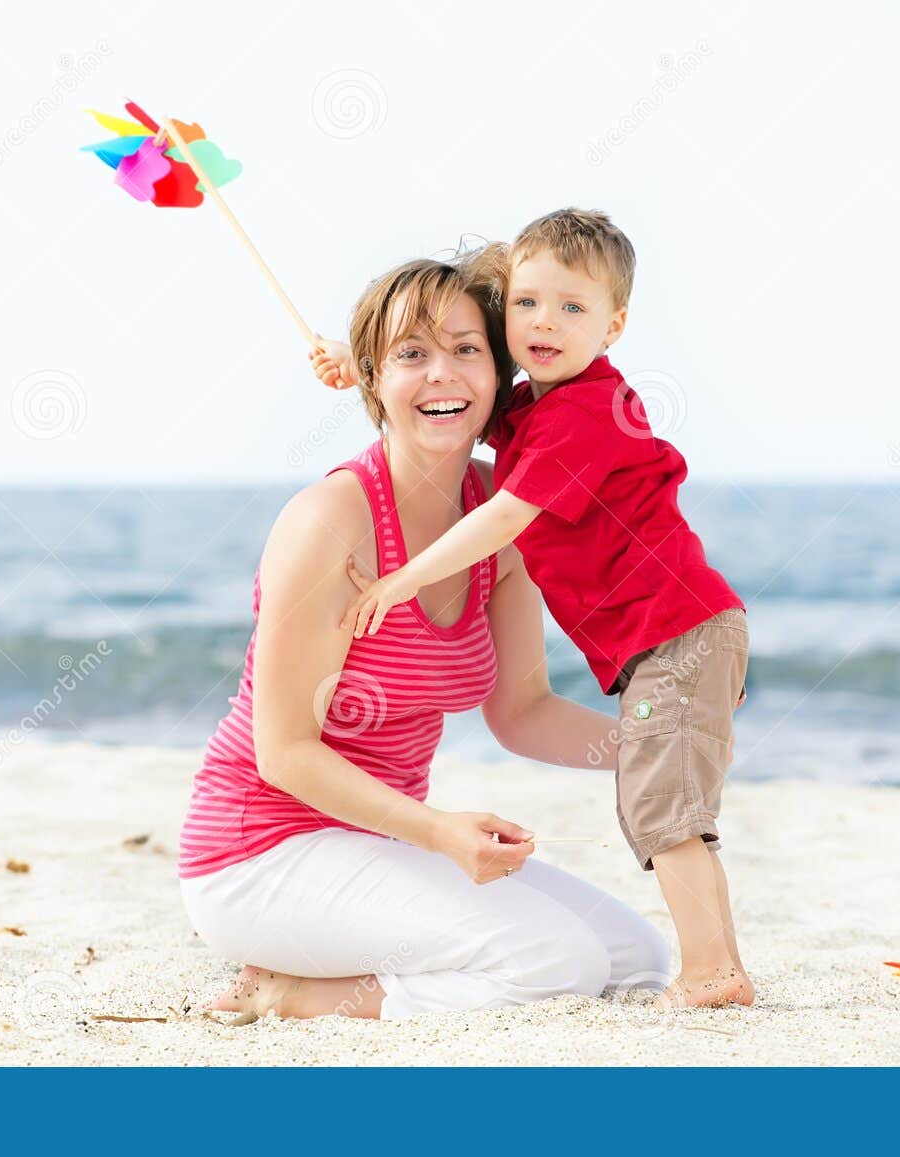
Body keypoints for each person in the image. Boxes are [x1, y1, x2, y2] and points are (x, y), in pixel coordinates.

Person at [178, 252, 670, 1020]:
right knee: (554, 961)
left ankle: (320, 972)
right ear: (373, 379)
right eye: (412, 354)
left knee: (636, 957)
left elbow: (524, 710)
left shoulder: (501, 517)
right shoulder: (329, 522)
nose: (443, 374)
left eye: (467, 349)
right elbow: (284, 751)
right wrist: (439, 830)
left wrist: (652, 743)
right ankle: (295, 991)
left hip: (379, 843)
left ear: (498, 376)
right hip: (260, 855)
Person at [312, 209, 752, 1008]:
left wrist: (402, 578)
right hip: (674, 635)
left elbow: (505, 515)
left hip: (679, 630)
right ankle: (718, 963)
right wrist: (361, 362)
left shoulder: (584, 412)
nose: (545, 322)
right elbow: (453, 398)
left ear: (613, 325)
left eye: (573, 308)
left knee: (664, 813)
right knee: (669, 802)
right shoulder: (534, 404)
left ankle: (713, 971)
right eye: (527, 304)